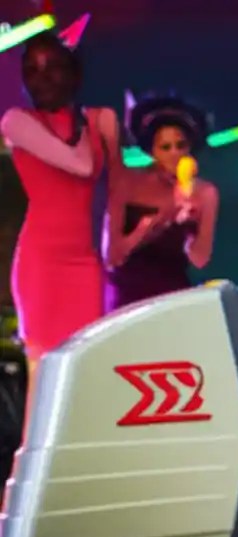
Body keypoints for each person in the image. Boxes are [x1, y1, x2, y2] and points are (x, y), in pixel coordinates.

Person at [1, 29, 121, 400]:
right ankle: (33, 442)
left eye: (52, 66)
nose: (43, 78)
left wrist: (120, 244)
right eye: (32, 70)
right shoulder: (17, 121)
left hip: (85, 262)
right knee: (43, 378)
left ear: (74, 72)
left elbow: (118, 190)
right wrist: (86, 126)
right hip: (42, 263)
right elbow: (81, 164)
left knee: (87, 374)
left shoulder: (101, 119)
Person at [104, 94, 217, 310]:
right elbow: (111, 257)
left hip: (172, 297)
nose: (174, 154)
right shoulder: (127, 184)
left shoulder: (205, 193)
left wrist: (189, 229)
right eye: (165, 147)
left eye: (180, 145)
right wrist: (147, 227)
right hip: (127, 297)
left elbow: (200, 259)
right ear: (152, 150)